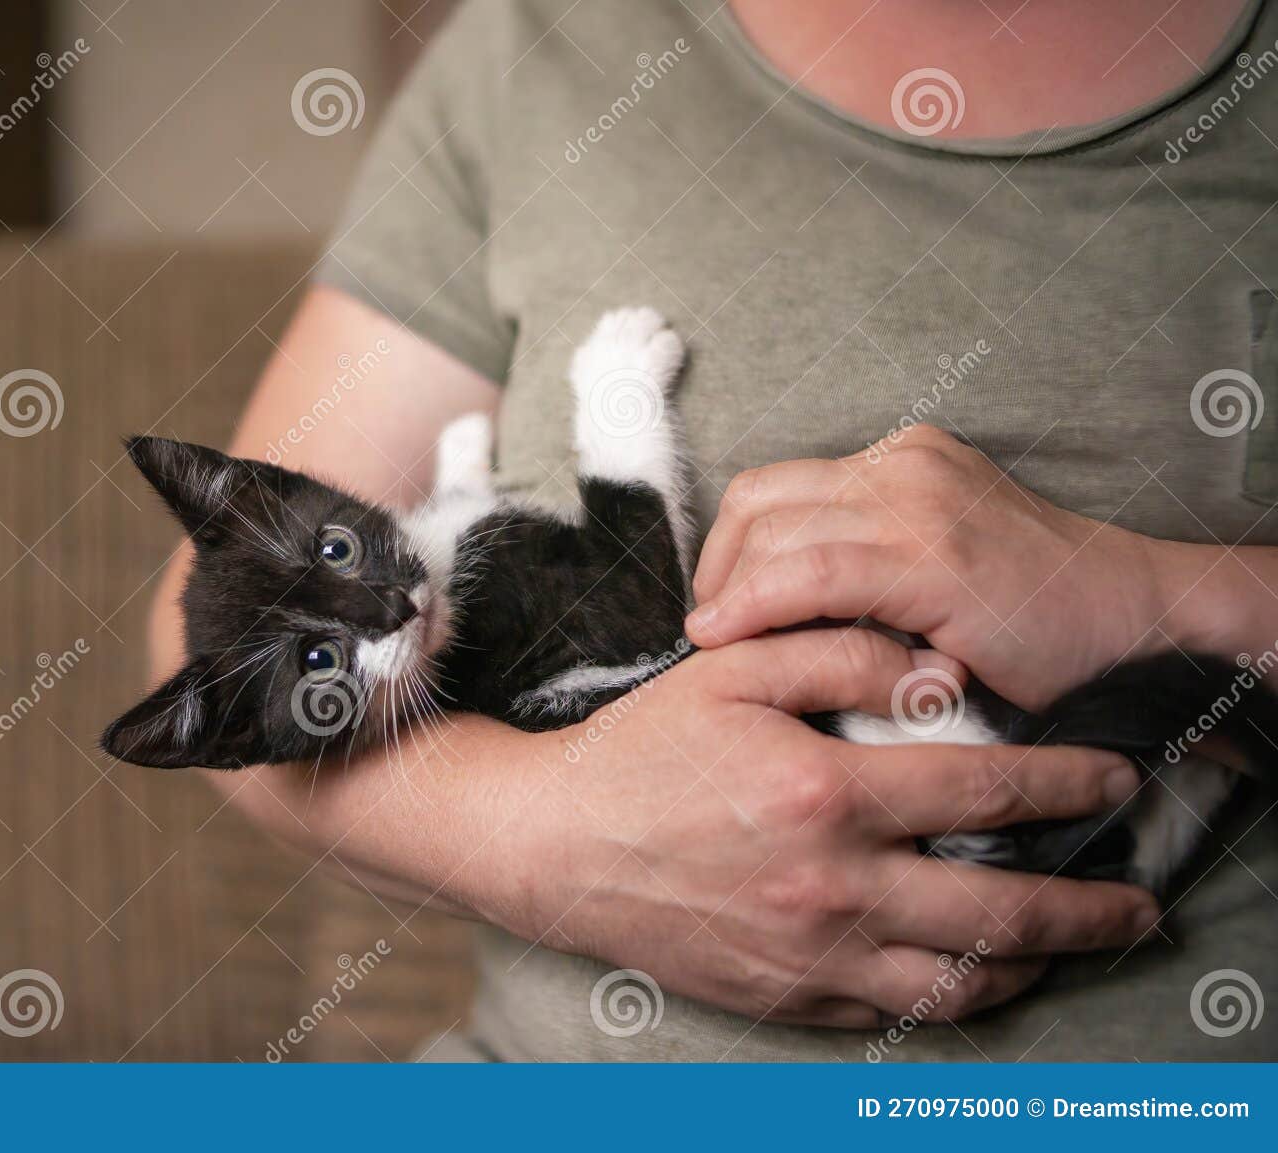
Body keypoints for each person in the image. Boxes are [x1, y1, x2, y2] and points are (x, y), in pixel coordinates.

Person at [150, 0, 1278, 1058]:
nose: (381, 599)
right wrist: (554, 843)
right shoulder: (533, 47)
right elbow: (195, 649)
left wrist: (1161, 602)